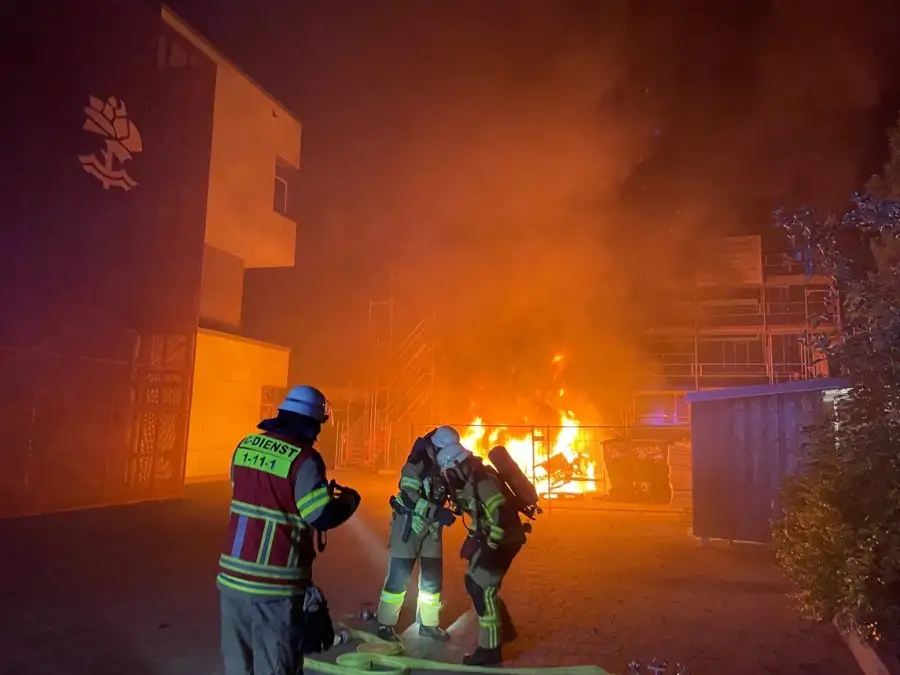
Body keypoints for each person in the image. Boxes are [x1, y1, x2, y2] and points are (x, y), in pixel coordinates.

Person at [218, 385, 362, 675]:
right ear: (308, 423)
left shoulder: (244, 447)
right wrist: (348, 501)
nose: (318, 434)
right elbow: (319, 515)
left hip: (231, 579)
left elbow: (248, 492)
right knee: (277, 666)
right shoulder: (305, 459)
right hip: (274, 585)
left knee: (238, 665)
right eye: (317, 426)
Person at [436, 441, 527, 666]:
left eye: (448, 472)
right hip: (496, 536)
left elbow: (501, 514)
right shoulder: (470, 481)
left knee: (482, 588)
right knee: (473, 581)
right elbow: (480, 515)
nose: (447, 478)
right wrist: (472, 540)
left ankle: (490, 651)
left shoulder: (482, 481)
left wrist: (491, 547)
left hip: (505, 538)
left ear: (456, 465)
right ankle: (504, 629)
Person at [376, 425, 460, 641]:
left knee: (432, 579)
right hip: (409, 526)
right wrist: (437, 512)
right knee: (399, 577)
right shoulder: (416, 464)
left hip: (432, 529)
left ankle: (428, 624)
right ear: (434, 447)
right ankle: (385, 625)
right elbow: (408, 497)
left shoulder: (446, 463)